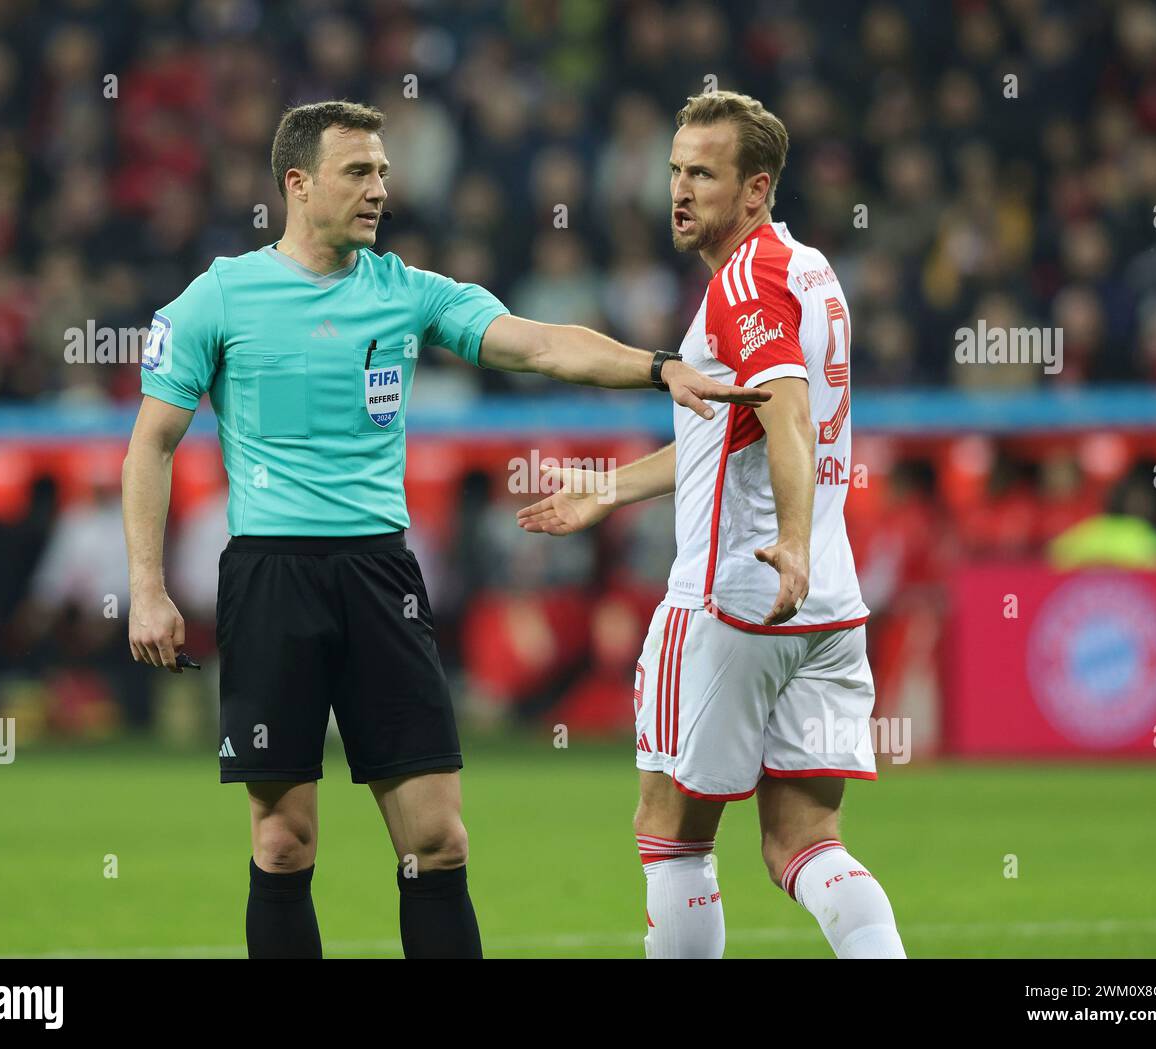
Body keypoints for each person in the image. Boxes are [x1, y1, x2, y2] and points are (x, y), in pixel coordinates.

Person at [120, 99, 767, 960]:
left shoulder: (405, 291)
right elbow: (150, 444)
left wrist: (658, 370)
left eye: (385, 171)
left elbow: (536, 344)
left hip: (382, 576)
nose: (381, 188)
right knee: (283, 842)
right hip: (272, 579)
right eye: (359, 171)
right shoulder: (222, 296)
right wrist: (149, 587)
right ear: (297, 182)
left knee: (438, 842)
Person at [518, 91, 906, 959]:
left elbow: (787, 415)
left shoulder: (745, 280)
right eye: (674, 170)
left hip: (734, 595)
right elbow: (727, 433)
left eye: (703, 173)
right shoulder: (810, 270)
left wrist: (792, 542)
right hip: (823, 605)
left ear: (756, 187)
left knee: (672, 835)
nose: (679, 190)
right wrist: (609, 490)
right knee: (805, 843)